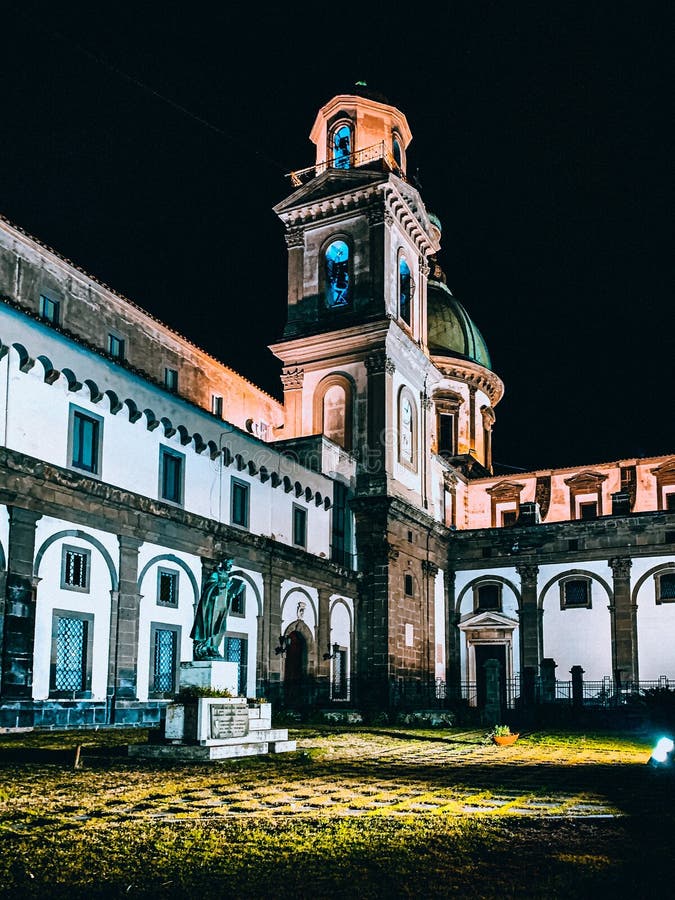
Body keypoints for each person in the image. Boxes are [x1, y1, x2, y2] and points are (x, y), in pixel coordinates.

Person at [190, 559, 244, 660]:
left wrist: (234, 591)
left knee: (221, 628)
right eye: (229, 563)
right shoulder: (215, 574)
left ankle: (214, 647)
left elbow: (227, 593)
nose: (230, 566)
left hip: (222, 607)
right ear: (223, 562)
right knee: (211, 626)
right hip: (213, 606)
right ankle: (206, 647)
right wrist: (222, 586)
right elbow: (209, 587)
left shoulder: (227, 577)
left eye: (231, 564)